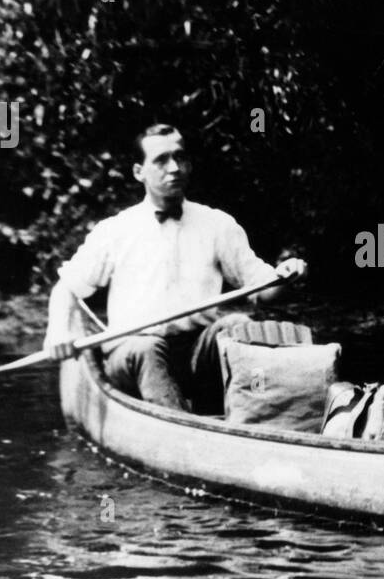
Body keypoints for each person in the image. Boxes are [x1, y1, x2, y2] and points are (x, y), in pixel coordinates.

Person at [42, 123, 307, 412]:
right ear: (138, 172)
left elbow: (263, 290)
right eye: (161, 160)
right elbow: (66, 289)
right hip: (134, 352)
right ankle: (183, 430)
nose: (174, 168)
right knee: (147, 349)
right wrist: (57, 333)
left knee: (237, 325)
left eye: (180, 157)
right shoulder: (115, 230)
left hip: (195, 353)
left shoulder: (217, 224)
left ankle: (241, 417)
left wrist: (285, 277)